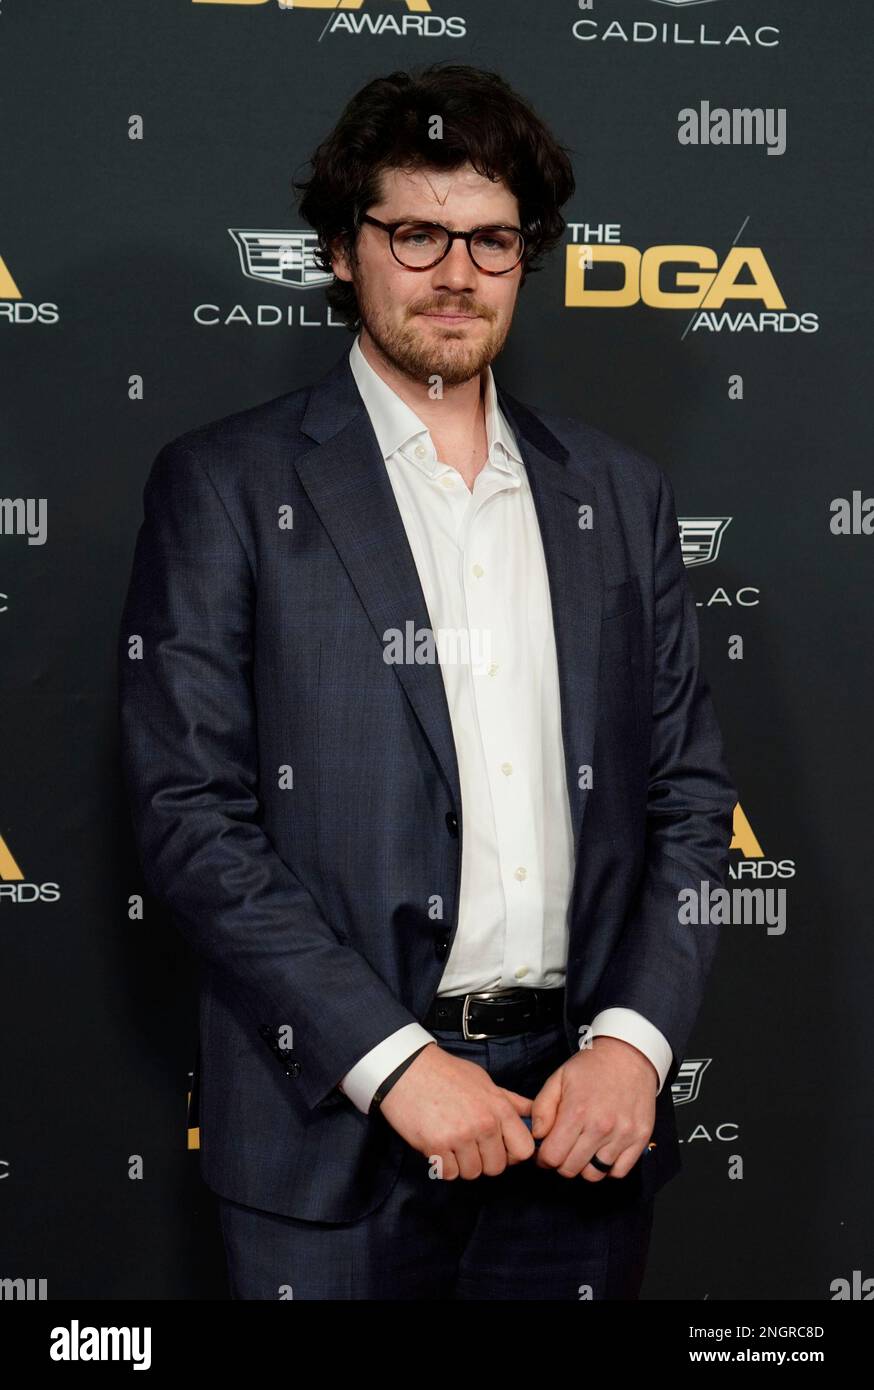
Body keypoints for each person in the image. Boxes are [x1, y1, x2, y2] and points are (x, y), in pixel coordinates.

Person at [118, 63, 737, 1300]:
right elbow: (190, 816)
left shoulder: (618, 494)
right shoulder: (228, 485)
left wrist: (632, 1044)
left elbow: (687, 799)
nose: (456, 272)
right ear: (343, 251)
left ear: (525, 257)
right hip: (328, 1135)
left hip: (576, 1130)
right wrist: (395, 1061)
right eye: (416, 234)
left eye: (491, 240)